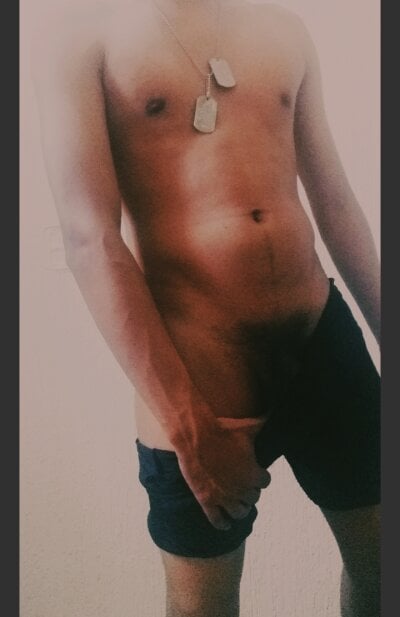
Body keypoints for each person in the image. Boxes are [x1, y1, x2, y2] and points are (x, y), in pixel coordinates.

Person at [33, 1, 380, 615]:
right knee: (203, 608)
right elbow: (90, 238)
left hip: (318, 334)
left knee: (382, 571)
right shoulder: (83, 36)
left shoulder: (283, 27)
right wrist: (188, 426)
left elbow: (335, 202)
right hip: (198, 363)